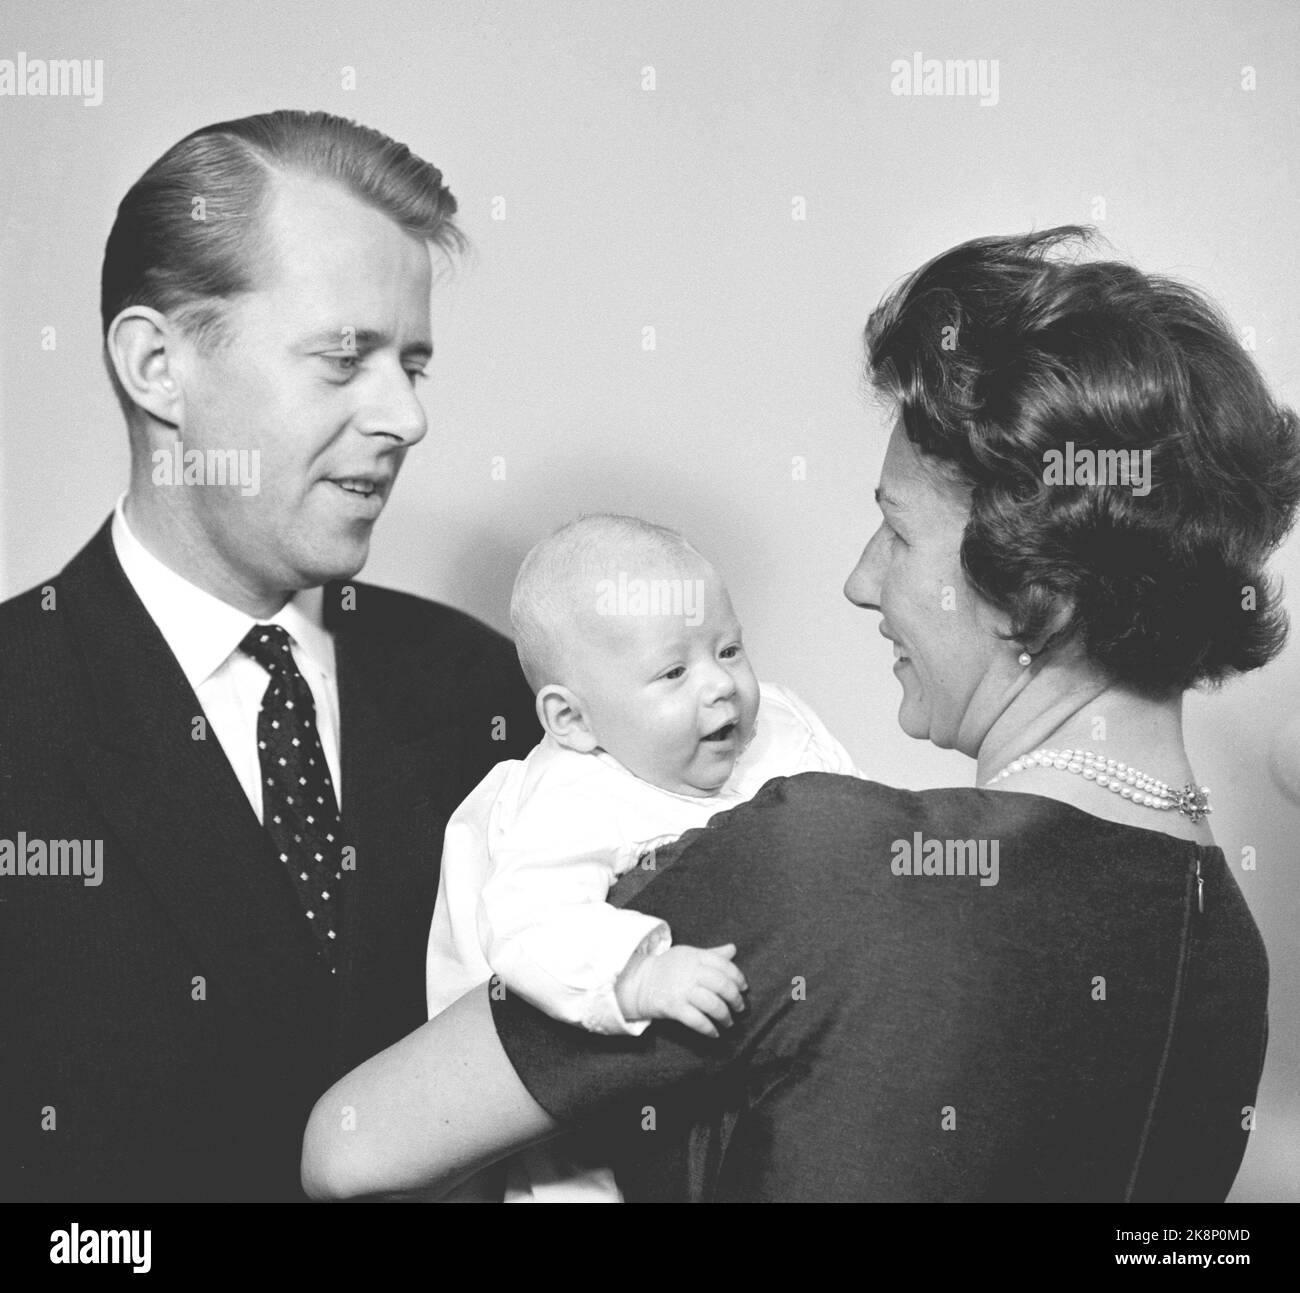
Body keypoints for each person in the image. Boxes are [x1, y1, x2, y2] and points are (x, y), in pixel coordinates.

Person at [302, 226, 1300, 1203]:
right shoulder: (1224, 953)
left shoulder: (822, 865)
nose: (861, 581)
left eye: (897, 533)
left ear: (1032, 594)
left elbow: (349, 1150)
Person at [0, 110, 537, 1201]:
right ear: (159, 365)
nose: (405, 416)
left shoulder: (489, 690)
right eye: (344, 359)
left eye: (413, 364)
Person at [426, 513, 859, 1200]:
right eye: (673, 671)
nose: (719, 685)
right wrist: (637, 976)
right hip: (574, 1111)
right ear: (573, 719)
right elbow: (529, 924)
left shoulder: (776, 726)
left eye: (729, 649)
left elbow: (850, 823)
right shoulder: (569, 792)